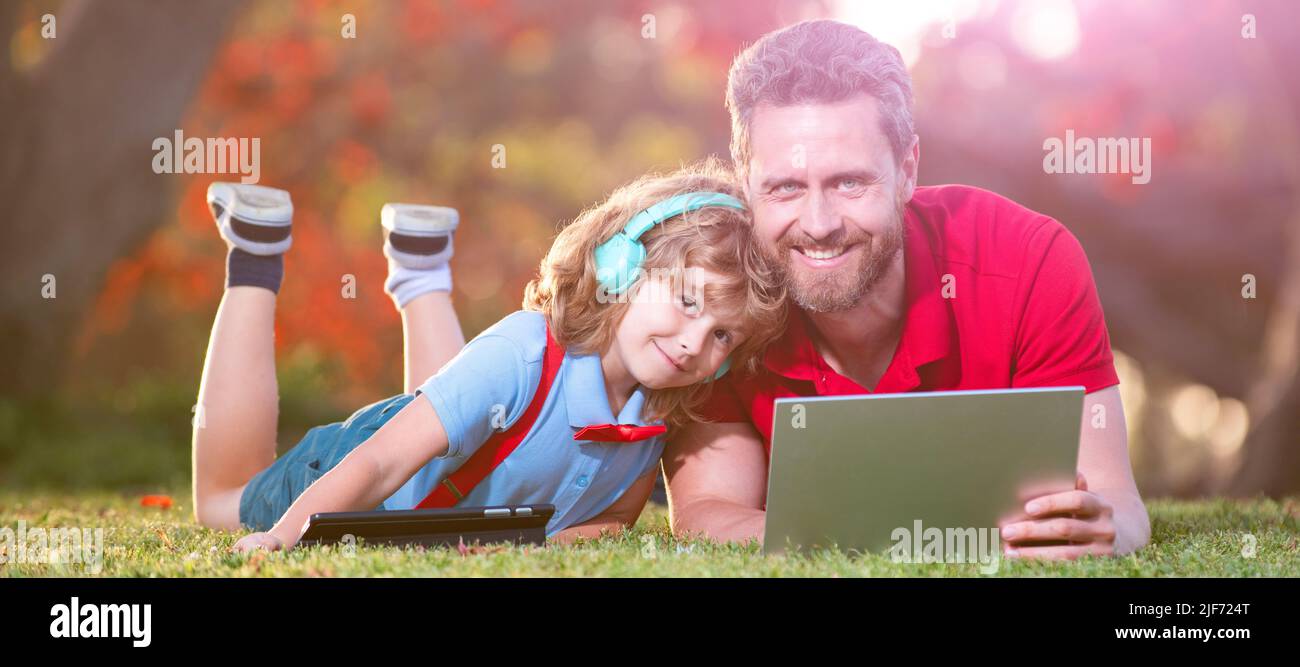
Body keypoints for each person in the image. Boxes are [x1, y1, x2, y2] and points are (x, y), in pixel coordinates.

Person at [661, 20, 1150, 559]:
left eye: (849, 182)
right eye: (786, 187)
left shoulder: (1031, 260)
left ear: (907, 170)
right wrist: (872, 540)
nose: (819, 224)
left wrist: (1108, 531)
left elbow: (1115, 504)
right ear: (746, 182)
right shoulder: (719, 295)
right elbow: (707, 510)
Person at [188, 158, 786, 551]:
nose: (694, 342)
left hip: (438, 491)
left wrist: (532, 548)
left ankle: (420, 268)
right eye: (685, 300)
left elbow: (612, 521)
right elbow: (379, 465)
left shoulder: (658, 409)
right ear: (618, 267)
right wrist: (285, 536)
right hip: (349, 468)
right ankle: (254, 256)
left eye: (723, 336)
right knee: (220, 499)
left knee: (463, 414)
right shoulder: (523, 350)